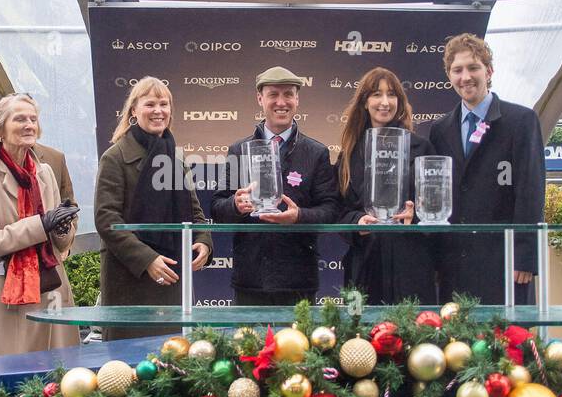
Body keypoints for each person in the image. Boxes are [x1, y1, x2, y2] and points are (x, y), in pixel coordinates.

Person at [425, 33, 545, 305]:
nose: (465, 76)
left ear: (489, 71)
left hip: (505, 263)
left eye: (473, 67)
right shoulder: (440, 129)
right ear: (449, 76)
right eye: (457, 70)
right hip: (454, 264)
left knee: (508, 344)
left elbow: (531, 192)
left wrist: (525, 256)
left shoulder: (522, 121)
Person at [0, 93, 81, 358]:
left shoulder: (45, 172)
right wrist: (41, 224)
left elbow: (59, 242)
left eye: (33, 119)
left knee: (57, 377)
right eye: (20, 119)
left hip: (51, 289)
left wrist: (63, 229)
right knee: (13, 382)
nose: (29, 125)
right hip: (6, 294)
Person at [211, 66, 341, 307]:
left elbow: (331, 210)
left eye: (288, 94)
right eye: (273, 94)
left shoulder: (316, 153)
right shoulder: (239, 150)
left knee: (300, 345)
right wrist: (235, 205)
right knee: (248, 345)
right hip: (250, 278)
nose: (281, 102)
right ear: (260, 98)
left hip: (298, 280)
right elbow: (218, 208)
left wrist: (299, 216)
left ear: (297, 99)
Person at [94, 77, 212, 341]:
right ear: (133, 111)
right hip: (129, 280)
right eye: (150, 104)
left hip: (171, 277)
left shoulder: (175, 157)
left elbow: (195, 213)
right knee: (128, 366)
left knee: (171, 358)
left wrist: (204, 241)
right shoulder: (114, 157)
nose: (158, 111)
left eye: (164, 104)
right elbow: (106, 219)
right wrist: (147, 259)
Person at [335, 66, 437, 304]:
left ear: (400, 102)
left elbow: (436, 208)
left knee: (417, 337)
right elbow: (339, 210)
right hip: (365, 266)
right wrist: (356, 223)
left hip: (411, 265)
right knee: (363, 339)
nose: (384, 102)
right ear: (364, 102)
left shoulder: (422, 148)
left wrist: (418, 215)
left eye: (391, 94)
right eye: (376, 94)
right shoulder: (350, 154)